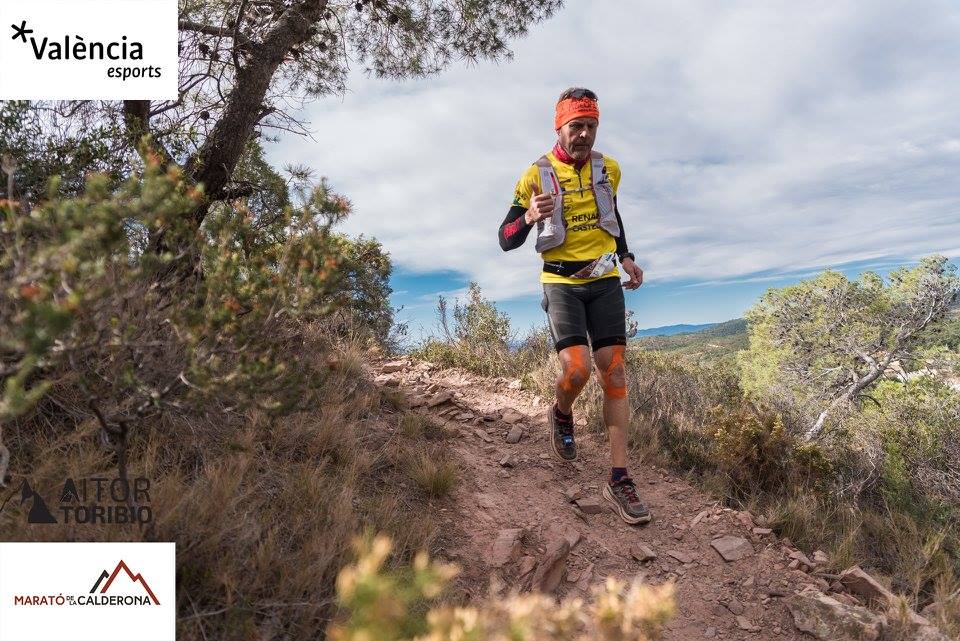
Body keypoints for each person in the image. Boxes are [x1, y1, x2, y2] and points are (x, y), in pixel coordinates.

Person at [497, 87, 651, 525]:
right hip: (561, 281)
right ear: (559, 128)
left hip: (603, 279)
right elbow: (505, 239)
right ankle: (561, 413)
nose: (583, 134)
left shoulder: (610, 169)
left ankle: (619, 476)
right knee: (578, 369)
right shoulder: (534, 175)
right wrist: (527, 217)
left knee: (615, 371)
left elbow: (614, 217)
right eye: (575, 126)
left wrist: (626, 256)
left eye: (590, 126)